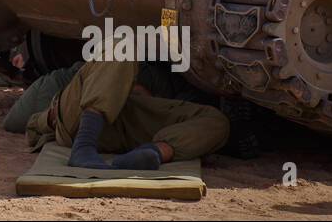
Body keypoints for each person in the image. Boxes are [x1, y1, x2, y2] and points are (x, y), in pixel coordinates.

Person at [25, 58, 229, 169]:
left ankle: (153, 153)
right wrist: (50, 119)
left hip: (132, 127)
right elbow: (32, 125)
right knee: (121, 49)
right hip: (80, 118)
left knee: (217, 120)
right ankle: (84, 146)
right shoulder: (72, 76)